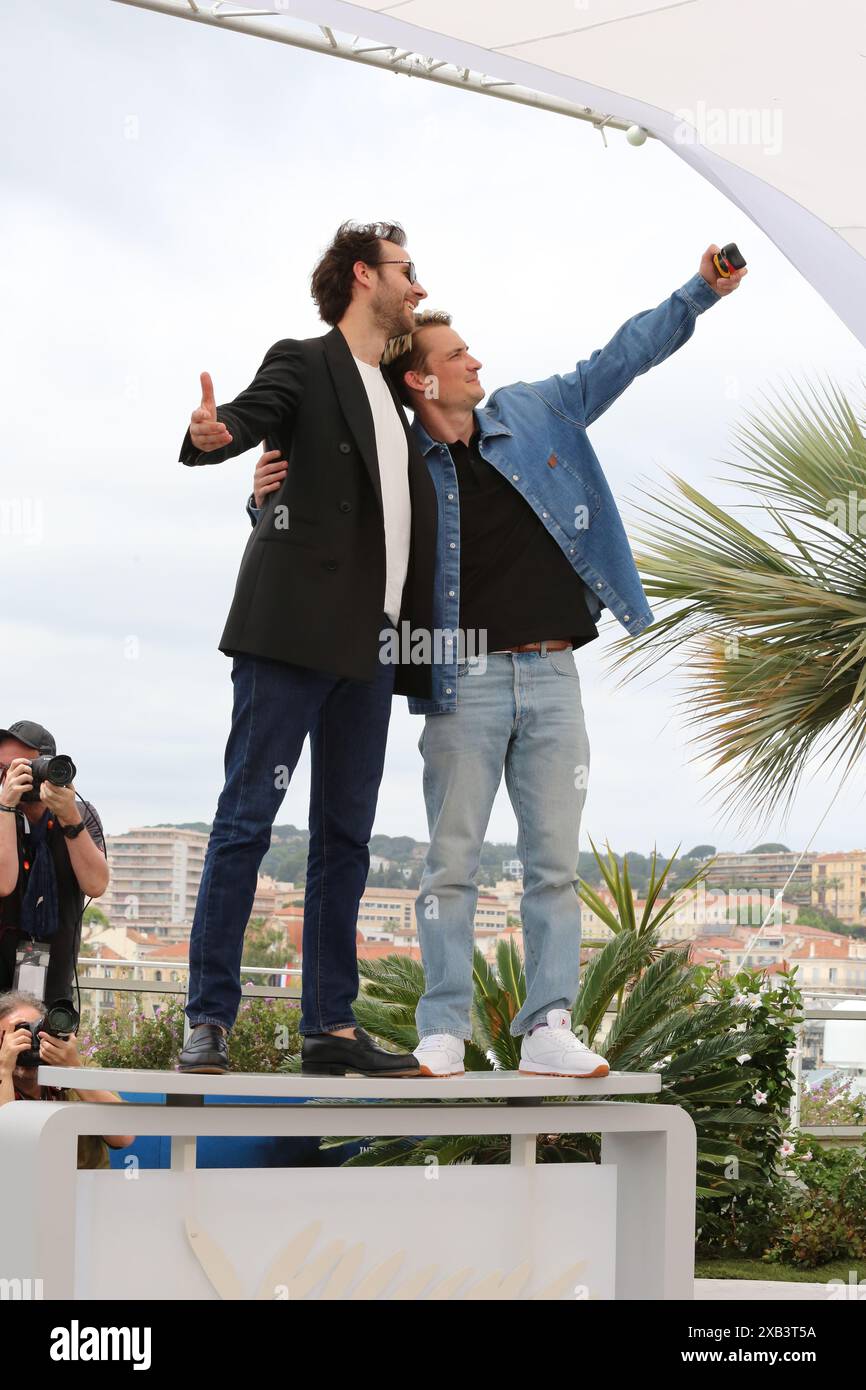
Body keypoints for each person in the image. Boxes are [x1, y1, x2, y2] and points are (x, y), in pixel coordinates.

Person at [370, 243, 745, 1077]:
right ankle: (444, 1030)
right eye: (456, 355)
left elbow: (622, 357)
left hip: (552, 675)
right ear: (420, 382)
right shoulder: (398, 463)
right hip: (460, 679)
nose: (475, 361)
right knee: (451, 862)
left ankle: (547, 1028)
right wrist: (262, 501)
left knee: (552, 865)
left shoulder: (535, 410)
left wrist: (700, 292)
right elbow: (327, 520)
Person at [176, 221, 438, 1077]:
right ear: (364, 275)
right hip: (291, 632)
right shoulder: (302, 360)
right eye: (407, 270)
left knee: (345, 839)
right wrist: (215, 435)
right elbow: (248, 417)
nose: (418, 286)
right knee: (246, 822)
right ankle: (208, 1019)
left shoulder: (396, 396)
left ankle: (329, 1027)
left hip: (373, 646)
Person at [0, 721, 109, 1004]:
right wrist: (6, 808)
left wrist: (69, 817)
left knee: (53, 1033)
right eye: (3, 769)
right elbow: (3, 883)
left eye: (21, 767)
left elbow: (96, 885)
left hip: (56, 985)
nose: (10, 777)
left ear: (47, 767)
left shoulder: (79, 813)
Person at [0, 990, 134, 1168]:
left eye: (35, 1033)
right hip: (21, 1183)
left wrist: (73, 1071)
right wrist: (4, 1070)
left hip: (84, 1182)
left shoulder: (80, 1066)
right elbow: (5, 1151)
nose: (29, 1045)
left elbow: (123, 1137)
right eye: (16, 1036)